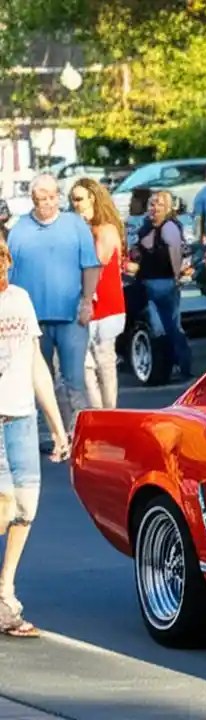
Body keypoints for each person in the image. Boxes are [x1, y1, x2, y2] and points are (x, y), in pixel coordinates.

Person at [0, 240, 71, 639]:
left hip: (22, 418)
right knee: (3, 505)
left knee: (25, 508)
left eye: (4, 259)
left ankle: (5, 591)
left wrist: (57, 426)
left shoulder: (20, 300)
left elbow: (36, 364)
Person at [5, 174, 101, 435]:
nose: (47, 203)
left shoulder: (75, 225)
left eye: (51, 197)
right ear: (32, 199)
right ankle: (50, 433)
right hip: (32, 322)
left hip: (71, 316)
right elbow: (8, 272)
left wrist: (86, 302)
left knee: (74, 381)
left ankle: (80, 434)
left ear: (58, 196)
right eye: (40, 198)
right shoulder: (20, 229)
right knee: (37, 381)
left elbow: (91, 265)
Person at [69, 178, 126, 410]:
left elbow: (97, 262)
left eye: (79, 199)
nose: (75, 204)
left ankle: (110, 412)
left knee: (105, 361)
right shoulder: (77, 228)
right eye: (72, 199)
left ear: (92, 198)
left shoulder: (105, 229)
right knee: (85, 365)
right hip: (85, 303)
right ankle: (99, 411)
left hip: (106, 303)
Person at [131, 190, 193, 380]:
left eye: (159, 204)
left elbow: (175, 253)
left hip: (166, 282)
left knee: (172, 326)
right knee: (157, 328)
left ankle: (183, 366)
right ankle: (166, 366)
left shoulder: (169, 227)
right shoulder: (145, 227)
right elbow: (137, 251)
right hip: (147, 283)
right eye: (152, 204)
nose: (154, 208)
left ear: (167, 208)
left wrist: (176, 277)